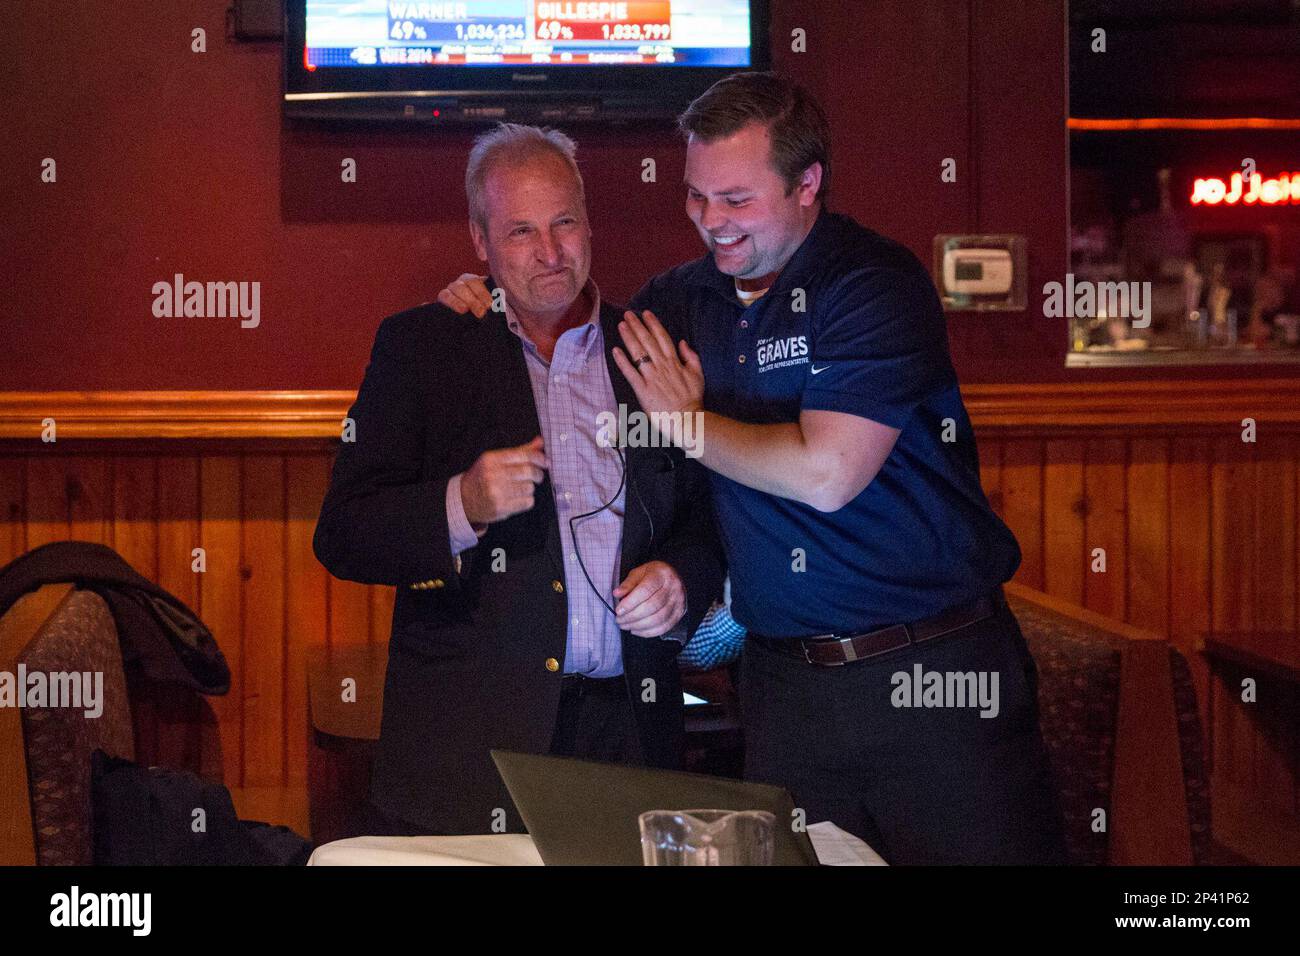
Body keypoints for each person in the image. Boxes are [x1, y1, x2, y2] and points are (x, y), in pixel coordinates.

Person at [438, 73, 1068, 864]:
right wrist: (484, 300)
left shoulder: (871, 282)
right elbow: (572, 330)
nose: (711, 222)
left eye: (736, 200)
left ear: (808, 184)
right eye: (697, 198)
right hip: (784, 690)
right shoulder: (679, 299)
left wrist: (689, 425)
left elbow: (827, 473)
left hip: (934, 673)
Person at [313, 123, 724, 836]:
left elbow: (707, 519)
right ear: (479, 242)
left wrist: (682, 577)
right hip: (467, 755)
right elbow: (343, 534)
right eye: (520, 232)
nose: (550, 253)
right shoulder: (422, 348)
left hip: (628, 740)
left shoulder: (650, 348)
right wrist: (461, 503)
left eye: (564, 223)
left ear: (589, 221)